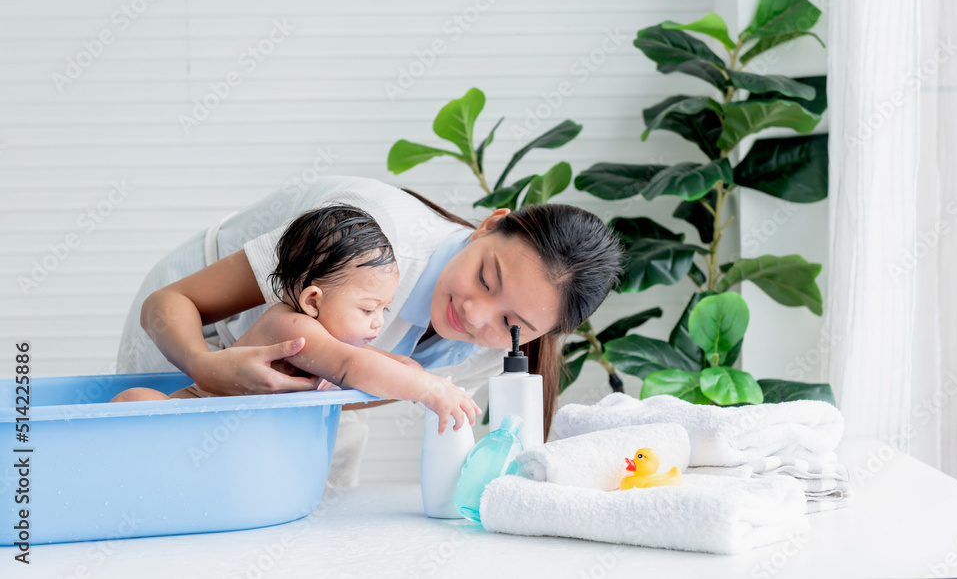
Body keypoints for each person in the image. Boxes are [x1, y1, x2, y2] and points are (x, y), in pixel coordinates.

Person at [116, 175, 621, 485]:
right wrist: (209, 368)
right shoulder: (371, 236)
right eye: (486, 279)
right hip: (197, 332)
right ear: (489, 225)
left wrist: (378, 378)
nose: (476, 315)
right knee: (157, 467)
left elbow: (354, 382)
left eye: (512, 323)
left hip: (295, 392)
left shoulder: (505, 349)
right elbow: (172, 302)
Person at [110, 205, 480, 433]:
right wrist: (428, 391)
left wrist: (421, 373)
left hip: (221, 438)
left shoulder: (326, 341)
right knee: (139, 401)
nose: (378, 323)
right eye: (368, 309)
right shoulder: (292, 327)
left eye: (383, 310)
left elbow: (382, 362)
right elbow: (353, 365)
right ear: (313, 300)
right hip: (187, 421)